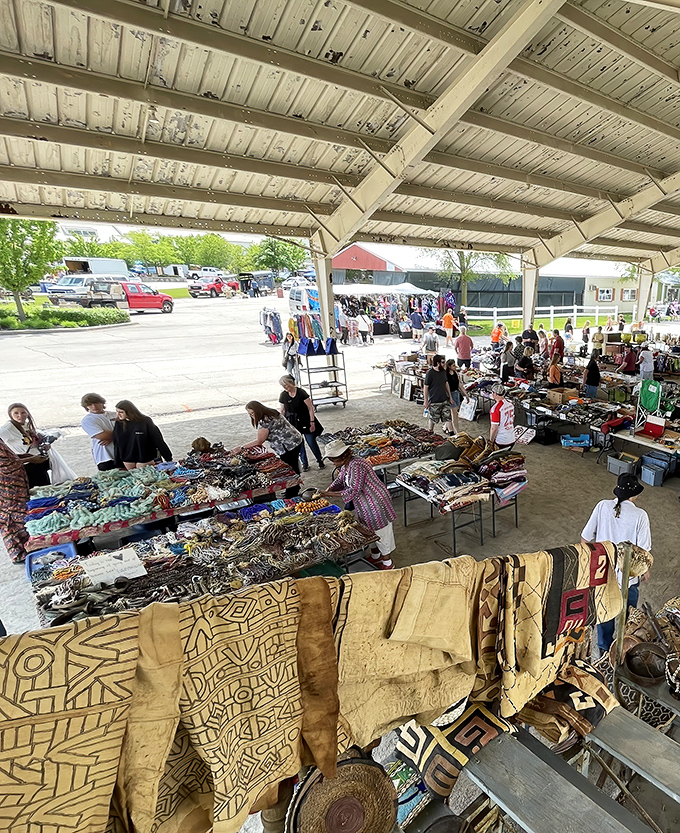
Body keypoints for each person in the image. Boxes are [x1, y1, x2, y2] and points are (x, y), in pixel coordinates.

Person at [581, 473, 651, 653]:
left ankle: (605, 651)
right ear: (634, 495)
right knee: (629, 616)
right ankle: (627, 646)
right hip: (628, 578)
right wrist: (645, 571)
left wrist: (591, 563)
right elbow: (643, 552)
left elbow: (585, 539)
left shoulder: (602, 506)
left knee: (604, 613)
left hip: (603, 574)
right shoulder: (640, 516)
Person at [320, 439, 397, 570]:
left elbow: (353, 490)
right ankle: (376, 556)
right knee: (368, 530)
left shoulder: (357, 465)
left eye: (333, 460)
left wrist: (328, 495)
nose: (333, 464)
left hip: (376, 501)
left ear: (342, 456)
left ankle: (388, 563)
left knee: (381, 532)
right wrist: (329, 489)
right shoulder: (346, 464)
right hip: (364, 503)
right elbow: (340, 480)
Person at [241, 401, 303, 497]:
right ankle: (293, 489)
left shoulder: (264, 420)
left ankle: (292, 492)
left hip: (288, 445)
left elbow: (259, 441)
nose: (251, 416)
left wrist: (241, 447)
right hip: (295, 439)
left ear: (258, 410)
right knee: (293, 466)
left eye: (252, 413)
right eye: (249, 414)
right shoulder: (272, 412)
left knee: (290, 469)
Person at [278, 375, 325, 472]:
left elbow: (310, 408)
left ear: (291, 383)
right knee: (299, 444)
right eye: (283, 386)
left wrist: (312, 422)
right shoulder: (283, 395)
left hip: (305, 419)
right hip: (292, 422)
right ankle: (305, 463)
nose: (285, 388)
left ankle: (320, 460)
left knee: (311, 442)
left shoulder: (301, 393)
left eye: (286, 385)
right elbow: (282, 410)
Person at [0, 403, 51, 488]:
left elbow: (29, 444)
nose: (20, 415)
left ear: (27, 413)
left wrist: (43, 445)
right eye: (16, 413)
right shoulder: (7, 429)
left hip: (38, 465)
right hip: (26, 468)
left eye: (23, 412)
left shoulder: (25, 426)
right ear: (10, 415)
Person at [113, 400, 173, 469]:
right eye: (117, 412)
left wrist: (168, 458)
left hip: (145, 457)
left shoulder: (145, 421)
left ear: (129, 411)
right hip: (127, 458)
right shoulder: (119, 423)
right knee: (135, 479)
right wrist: (117, 462)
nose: (118, 414)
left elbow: (158, 440)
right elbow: (117, 443)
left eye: (121, 412)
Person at [0, 439, 30, 564]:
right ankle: (18, 553)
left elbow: (8, 457)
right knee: (10, 516)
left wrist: (21, 458)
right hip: (6, 486)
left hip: (15, 484)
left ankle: (28, 546)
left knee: (20, 512)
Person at [80, 393, 117, 471]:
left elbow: (130, 430)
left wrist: (112, 437)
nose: (94, 407)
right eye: (90, 405)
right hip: (104, 457)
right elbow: (102, 436)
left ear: (102, 403)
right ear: (86, 407)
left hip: (123, 454)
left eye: (96, 403)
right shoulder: (87, 420)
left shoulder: (115, 415)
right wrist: (118, 435)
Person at [424, 354, 455, 434]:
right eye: (442, 362)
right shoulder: (429, 373)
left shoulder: (443, 372)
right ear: (438, 363)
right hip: (434, 401)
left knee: (448, 418)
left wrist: (450, 397)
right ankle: (430, 432)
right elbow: (426, 387)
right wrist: (426, 401)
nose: (444, 364)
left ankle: (452, 434)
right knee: (433, 419)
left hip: (444, 399)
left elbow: (446, 384)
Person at [489, 384, 515, 449]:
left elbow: (494, 428)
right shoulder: (510, 404)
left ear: (495, 394)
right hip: (512, 438)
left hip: (501, 440)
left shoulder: (495, 409)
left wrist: (490, 441)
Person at [445, 359, 467, 434]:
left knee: (453, 412)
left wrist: (466, 394)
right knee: (454, 414)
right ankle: (457, 431)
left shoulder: (455, 373)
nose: (455, 367)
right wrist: (450, 397)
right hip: (450, 394)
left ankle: (447, 427)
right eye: (453, 365)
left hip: (456, 393)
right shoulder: (446, 375)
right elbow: (446, 387)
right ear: (449, 366)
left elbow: (459, 385)